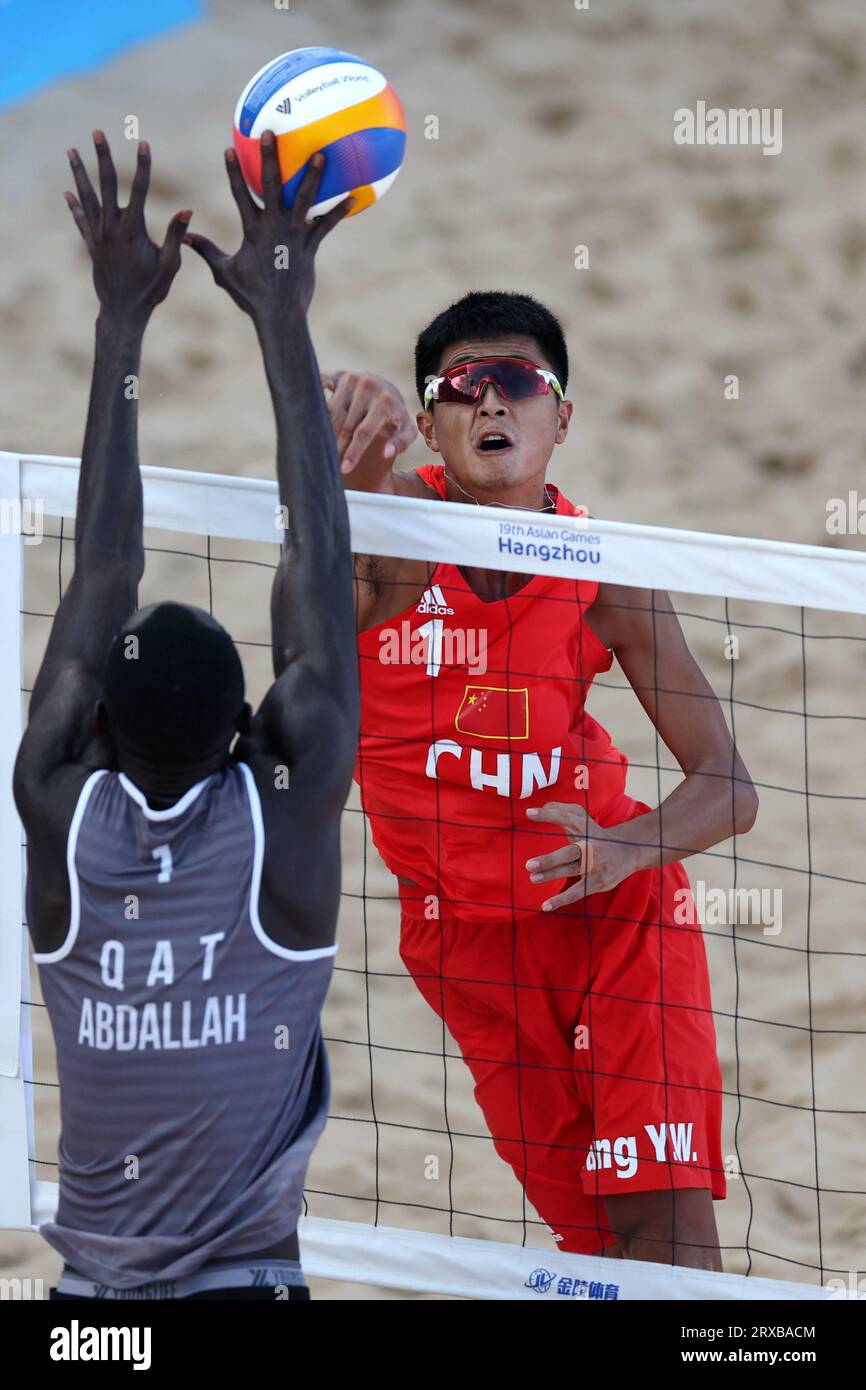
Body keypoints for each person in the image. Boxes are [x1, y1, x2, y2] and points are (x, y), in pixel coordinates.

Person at [323, 291, 759, 1268]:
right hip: (464, 943)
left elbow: (727, 786)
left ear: (560, 417)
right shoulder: (395, 533)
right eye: (461, 387)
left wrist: (620, 851)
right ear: (430, 421)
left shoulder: (602, 564)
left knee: (667, 1232)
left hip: (614, 909)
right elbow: (327, 538)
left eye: (516, 383)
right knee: (590, 1249)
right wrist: (345, 434)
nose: (490, 405)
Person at [13, 130, 358, 1300]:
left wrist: (120, 321)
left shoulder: (57, 809)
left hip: (83, 1316)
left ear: (94, 722)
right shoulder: (278, 828)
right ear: (246, 731)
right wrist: (281, 318)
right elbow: (316, 566)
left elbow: (99, 568)